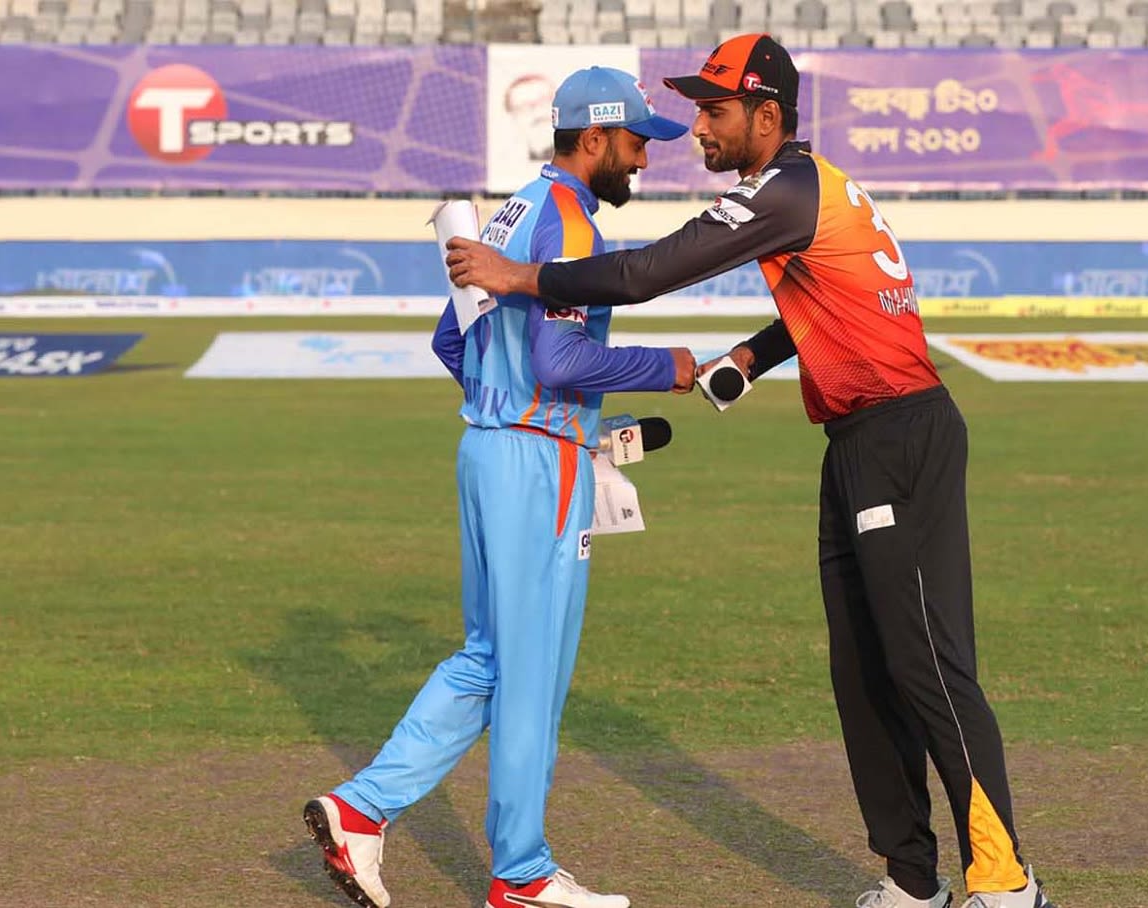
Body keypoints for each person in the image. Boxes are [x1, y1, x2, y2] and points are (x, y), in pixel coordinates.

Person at [447, 34, 1055, 908]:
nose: (698, 128)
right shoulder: (803, 189)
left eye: (714, 110)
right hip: (858, 442)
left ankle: (1005, 883)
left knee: (925, 661)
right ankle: (912, 880)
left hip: (902, 439)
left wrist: (524, 276)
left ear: (766, 116)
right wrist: (755, 355)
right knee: (861, 670)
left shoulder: (786, 189)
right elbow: (833, 301)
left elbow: (650, 272)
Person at [304, 66, 695, 908]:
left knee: (489, 657)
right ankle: (520, 873)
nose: (644, 160)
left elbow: (452, 341)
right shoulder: (572, 223)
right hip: (536, 462)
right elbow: (560, 359)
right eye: (636, 144)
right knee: (531, 672)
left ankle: (361, 810)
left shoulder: (514, 210)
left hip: (486, 450)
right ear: (595, 138)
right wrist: (668, 367)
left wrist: (507, 406)